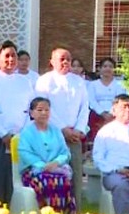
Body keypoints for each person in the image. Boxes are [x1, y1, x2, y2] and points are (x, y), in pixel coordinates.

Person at [0, 40, 35, 203]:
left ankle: (18, 206)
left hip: (21, 134)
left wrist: (22, 132)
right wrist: (3, 134)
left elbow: (31, 109)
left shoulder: (25, 82)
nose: (11, 60)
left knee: (18, 173)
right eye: (7, 56)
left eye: (14, 56)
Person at [35, 47, 89, 205]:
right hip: (52, 134)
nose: (65, 62)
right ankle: (54, 211)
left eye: (68, 59)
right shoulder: (44, 81)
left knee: (76, 175)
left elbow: (84, 106)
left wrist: (78, 130)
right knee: (54, 175)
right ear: (52, 61)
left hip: (74, 136)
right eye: (61, 59)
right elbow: (43, 109)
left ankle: (76, 213)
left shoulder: (78, 81)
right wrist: (62, 129)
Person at [17, 97, 76, 214]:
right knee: (47, 181)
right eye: (39, 110)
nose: (44, 113)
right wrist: (42, 166)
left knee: (63, 181)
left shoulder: (56, 131)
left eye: (46, 110)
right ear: (32, 113)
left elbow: (65, 152)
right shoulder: (26, 132)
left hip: (56, 168)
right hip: (33, 171)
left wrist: (56, 163)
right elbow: (25, 153)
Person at [88, 58, 126, 144]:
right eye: (105, 66)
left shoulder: (120, 84)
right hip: (97, 115)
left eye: (110, 66)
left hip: (115, 115)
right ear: (99, 69)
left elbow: (120, 99)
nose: (107, 69)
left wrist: (111, 113)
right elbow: (91, 100)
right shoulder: (93, 84)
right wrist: (103, 113)